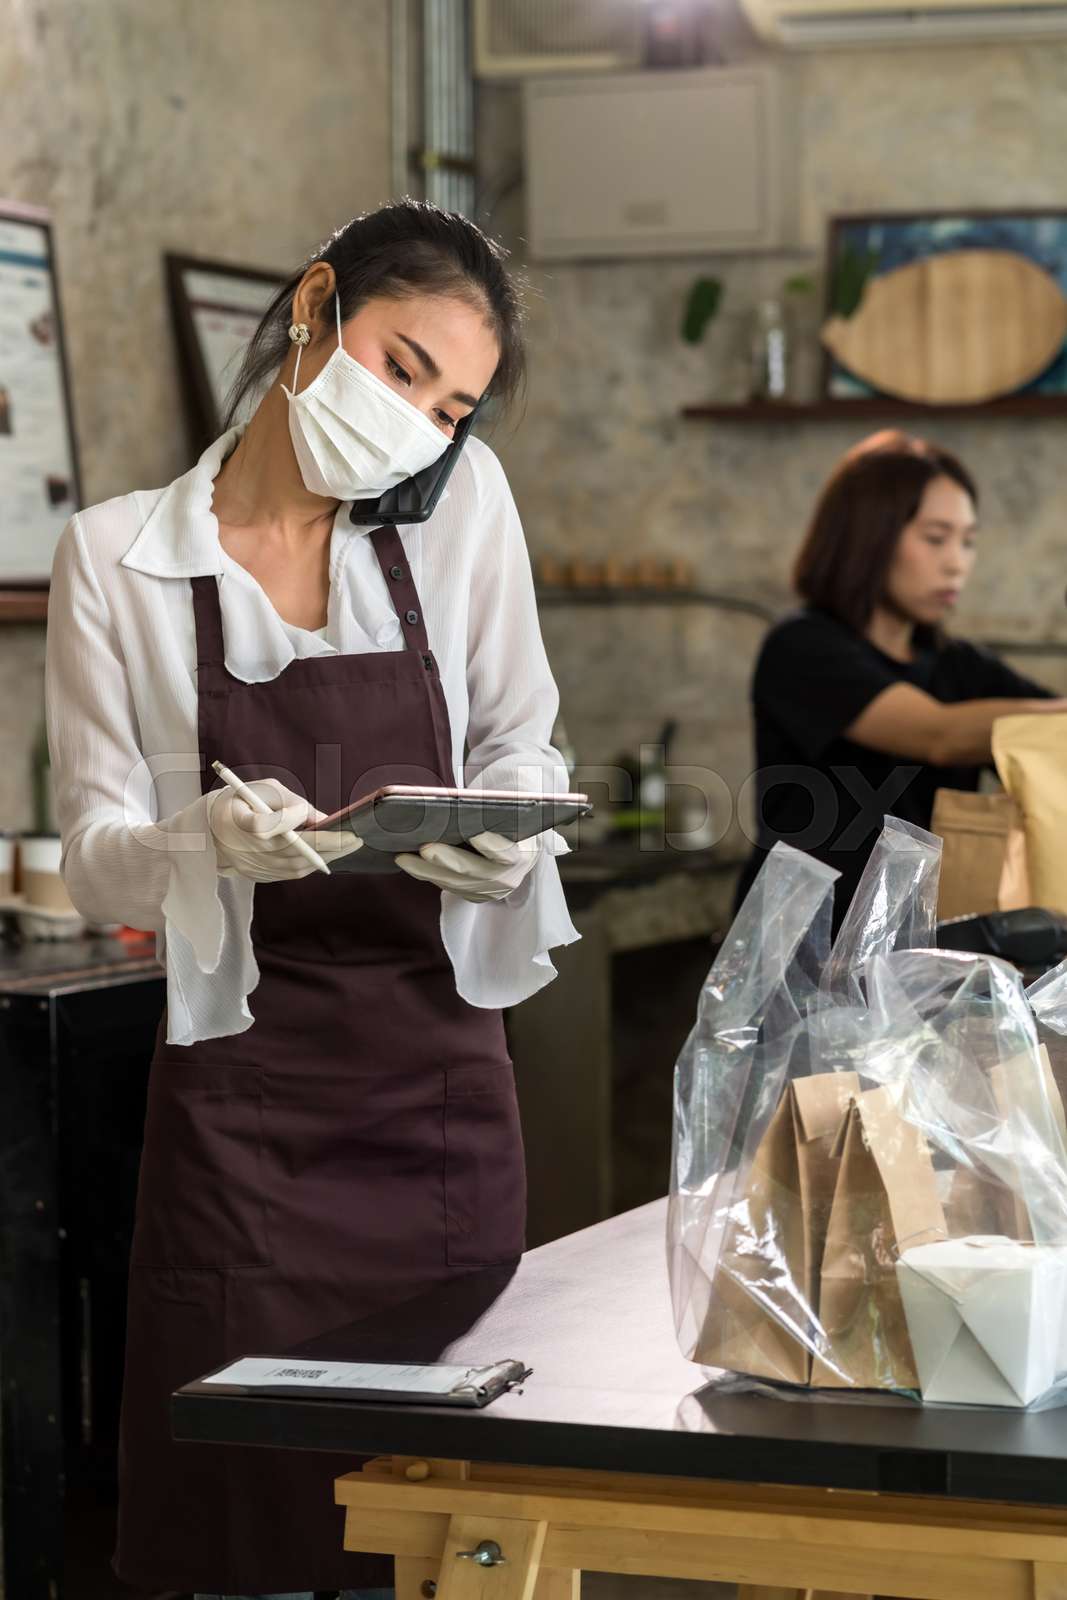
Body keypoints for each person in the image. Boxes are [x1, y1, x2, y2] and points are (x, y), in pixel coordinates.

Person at [45, 200, 579, 1600]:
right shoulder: (117, 559)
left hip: (438, 1095)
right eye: (403, 368)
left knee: (452, 1511)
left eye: (453, 405)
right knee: (249, 1509)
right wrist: (198, 844)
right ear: (315, 309)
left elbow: (525, 732)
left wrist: (508, 833)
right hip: (244, 1117)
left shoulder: (462, 512)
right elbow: (94, 847)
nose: (421, 425)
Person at [735, 430, 1066, 929]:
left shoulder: (961, 665)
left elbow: (1051, 732)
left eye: (969, 541)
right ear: (869, 535)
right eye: (936, 538)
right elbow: (938, 734)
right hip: (801, 950)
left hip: (913, 950)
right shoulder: (802, 647)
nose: (957, 562)